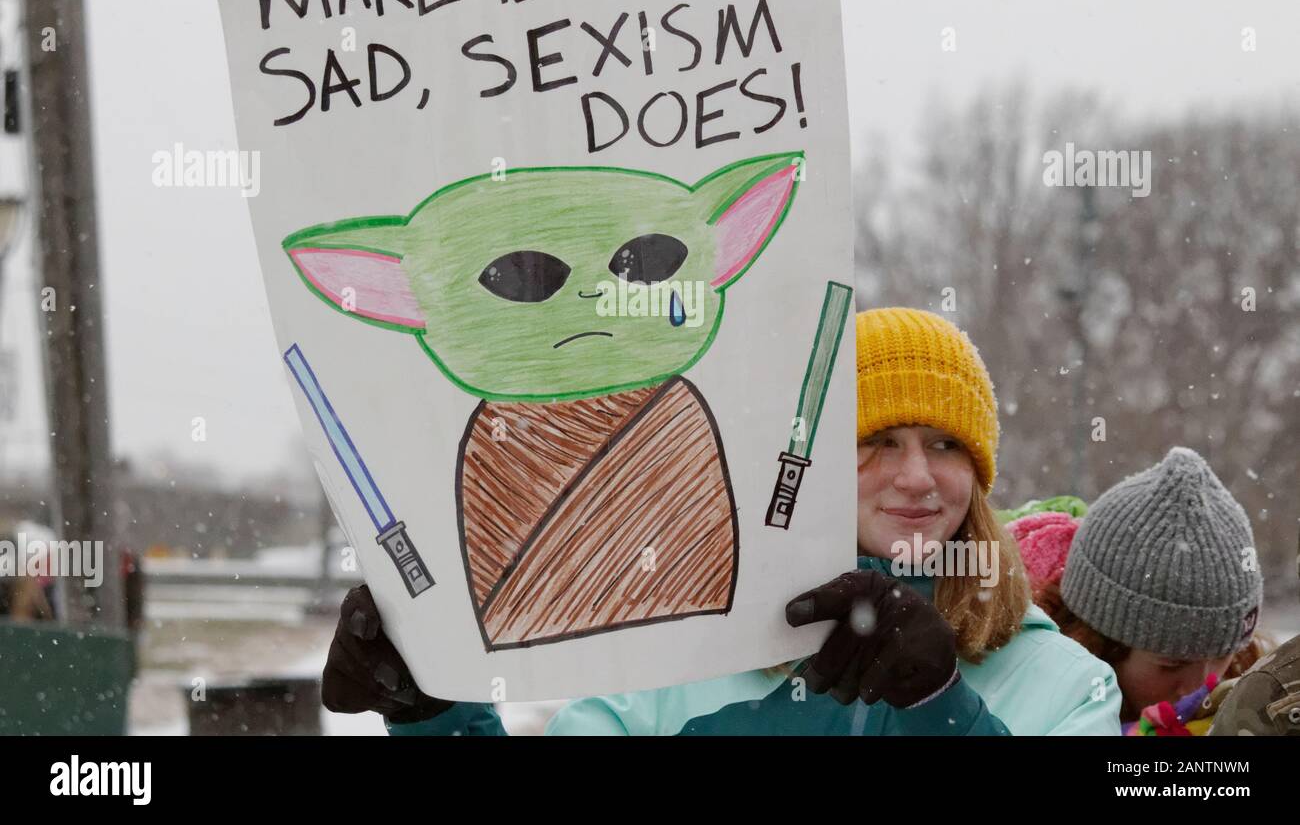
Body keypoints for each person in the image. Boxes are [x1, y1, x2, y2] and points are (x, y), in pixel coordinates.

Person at [322, 307, 1121, 735]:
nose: (915, 477)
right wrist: (430, 712)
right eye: (875, 442)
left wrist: (941, 705)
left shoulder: (1064, 687)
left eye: (945, 445)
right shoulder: (679, 653)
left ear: (978, 475)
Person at [1028, 447, 1267, 727]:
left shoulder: (1264, 706)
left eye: (1224, 655)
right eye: (1172, 664)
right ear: (1095, 644)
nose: (1201, 688)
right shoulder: (1023, 709)